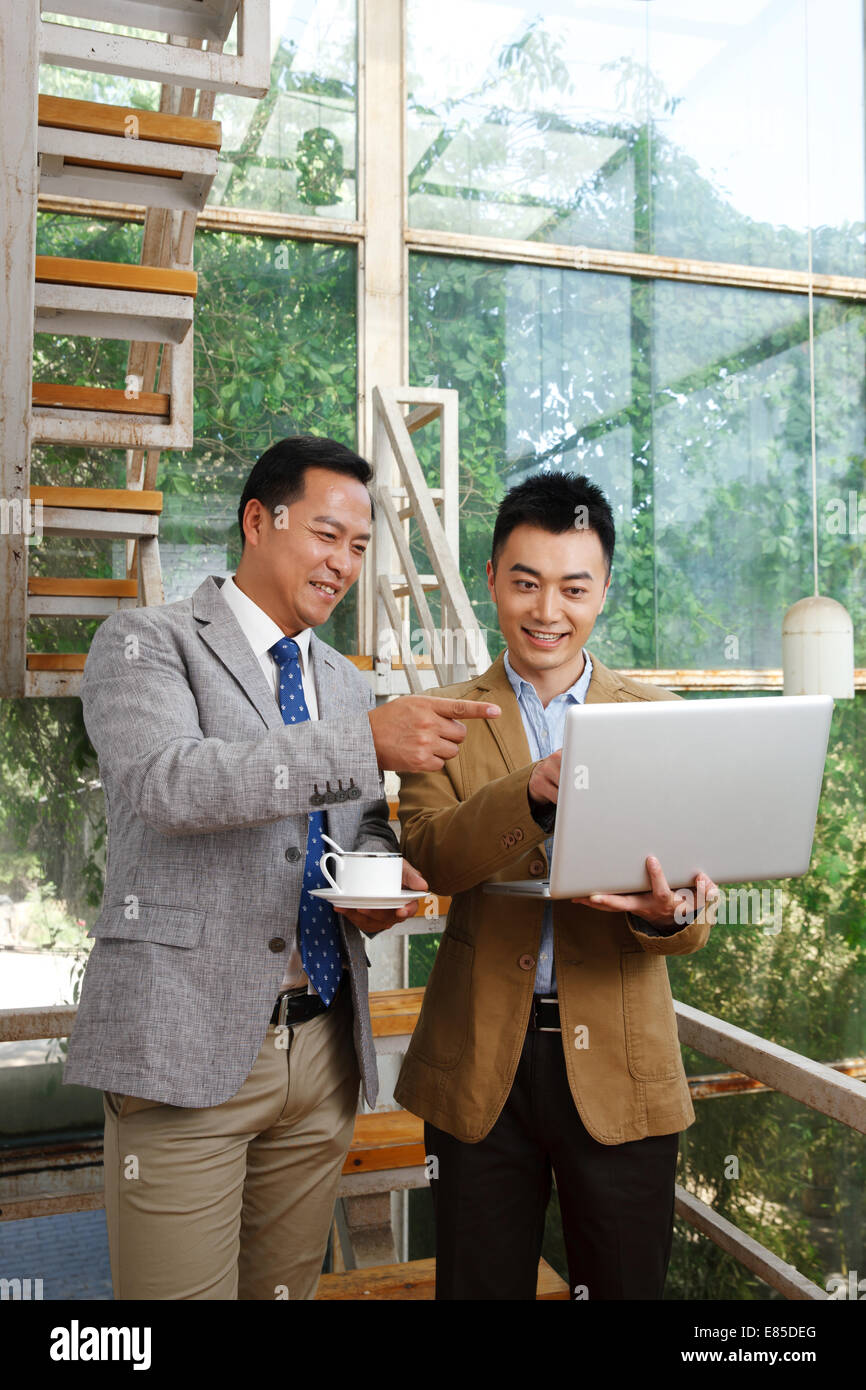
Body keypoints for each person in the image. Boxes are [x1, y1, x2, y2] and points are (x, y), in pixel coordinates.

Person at [62, 435, 499, 1300]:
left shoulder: (342, 678)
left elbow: (362, 819)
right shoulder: (146, 642)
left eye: (359, 547)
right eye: (327, 535)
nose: (343, 564)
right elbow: (167, 784)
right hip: (185, 1050)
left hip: (323, 1048)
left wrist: (379, 877)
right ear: (257, 521)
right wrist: (362, 741)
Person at [394, 470, 719, 1301]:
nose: (548, 611)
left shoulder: (660, 720)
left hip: (620, 1057)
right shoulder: (440, 715)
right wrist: (531, 793)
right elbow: (431, 856)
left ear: (603, 590)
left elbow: (693, 916)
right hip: (480, 1068)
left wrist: (666, 914)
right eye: (526, 583)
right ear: (493, 580)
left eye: (574, 588)